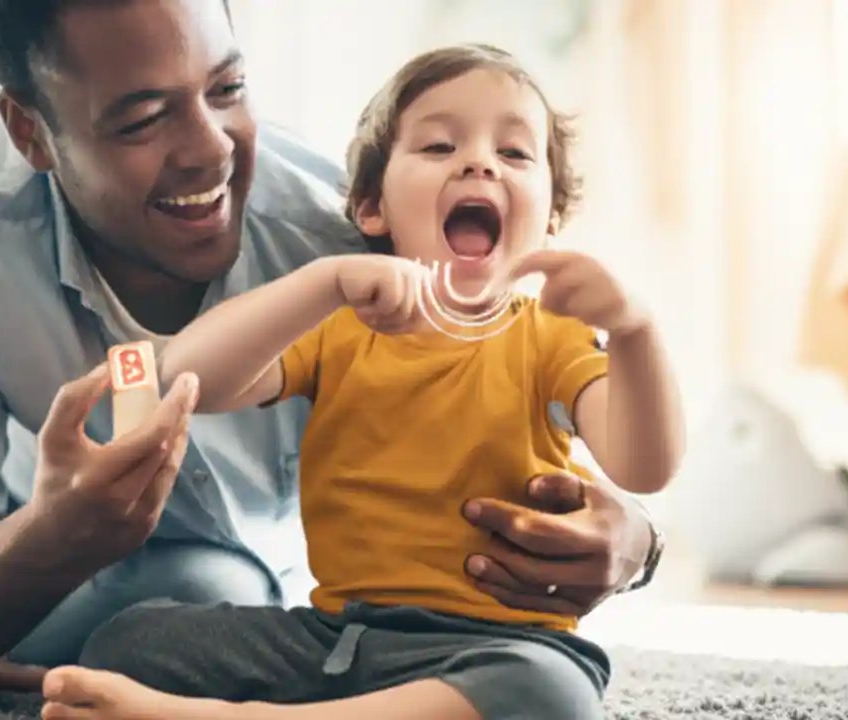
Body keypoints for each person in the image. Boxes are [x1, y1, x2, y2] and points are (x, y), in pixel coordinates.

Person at [0, 0, 665, 686]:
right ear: (30, 131)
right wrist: (44, 538)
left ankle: (19, 646)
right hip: (15, 496)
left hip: (231, 566)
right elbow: (174, 380)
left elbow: (584, 422)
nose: (210, 148)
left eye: (228, 88)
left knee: (202, 582)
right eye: (141, 116)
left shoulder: (352, 229)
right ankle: (15, 609)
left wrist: (639, 537)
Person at [35, 43, 684, 720]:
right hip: (334, 642)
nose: (479, 161)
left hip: (495, 646)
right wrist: (321, 283)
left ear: (550, 219)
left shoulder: (551, 336)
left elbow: (645, 465)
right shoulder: (341, 326)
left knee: (550, 692)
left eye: (516, 154)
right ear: (371, 207)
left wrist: (635, 331)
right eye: (438, 146)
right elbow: (188, 376)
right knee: (126, 640)